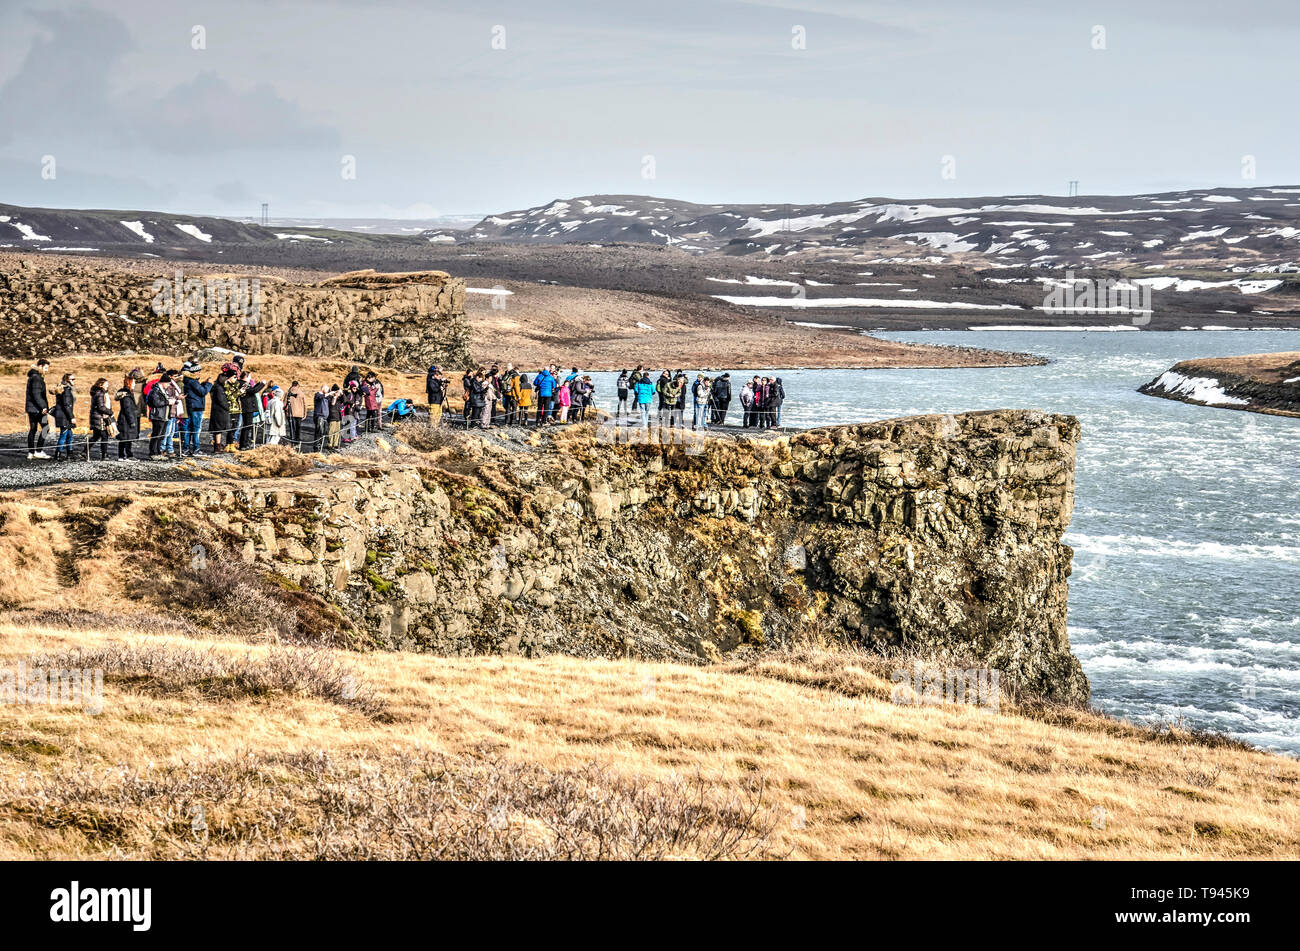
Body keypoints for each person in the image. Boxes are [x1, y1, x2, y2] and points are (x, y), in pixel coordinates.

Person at [181, 361, 212, 457]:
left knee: (188, 428)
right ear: (194, 372)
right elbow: (202, 392)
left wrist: (203, 383)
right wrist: (208, 384)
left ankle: (186, 449)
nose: (200, 373)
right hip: (196, 407)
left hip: (191, 406)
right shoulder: (193, 381)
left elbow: (197, 390)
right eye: (198, 371)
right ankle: (196, 449)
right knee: (196, 428)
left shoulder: (188, 380)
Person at [25, 359, 52, 460]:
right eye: (45, 368)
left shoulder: (33, 376)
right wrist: (43, 407)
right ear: (40, 366)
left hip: (32, 409)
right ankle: (39, 451)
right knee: (45, 428)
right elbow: (37, 395)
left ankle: (31, 452)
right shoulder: (36, 378)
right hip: (38, 410)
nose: (47, 370)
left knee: (33, 430)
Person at [146, 370, 173, 459]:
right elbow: (156, 402)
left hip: (164, 416)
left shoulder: (163, 391)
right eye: (168, 383)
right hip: (158, 416)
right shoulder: (155, 390)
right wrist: (168, 402)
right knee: (156, 435)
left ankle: (158, 452)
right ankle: (153, 453)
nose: (168, 385)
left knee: (161, 436)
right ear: (163, 383)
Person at [52, 373, 77, 461]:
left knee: (69, 434)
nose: (74, 381)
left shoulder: (64, 389)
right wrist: (72, 417)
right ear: (67, 381)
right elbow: (66, 405)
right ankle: (57, 454)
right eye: (72, 379)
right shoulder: (66, 390)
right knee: (63, 435)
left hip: (63, 415)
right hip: (64, 416)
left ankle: (70, 453)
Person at [114, 375, 140, 459]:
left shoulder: (128, 393)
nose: (134, 384)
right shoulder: (126, 395)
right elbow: (127, 409)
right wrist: (132, 421)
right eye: (133, 382)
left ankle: (125, 454)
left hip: (127, 418)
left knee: (126, 438)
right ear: (129, 383)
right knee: (125, 438)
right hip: (126, 419)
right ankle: (125, 455)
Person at [238, 372, 265, 450]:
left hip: (248, 407)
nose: (250, 378)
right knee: (247, 426)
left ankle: (244, 443)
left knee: (247, 426)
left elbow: (252, 389)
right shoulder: (244, 384)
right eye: (249, 376)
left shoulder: (244, 384)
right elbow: (253, 391)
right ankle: (243, 444)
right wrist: (262, 384)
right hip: (247, 407)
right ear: (246, 376)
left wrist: (258, 384)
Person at [88, 378, 113, 461]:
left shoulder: (98, 392)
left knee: (96, 436)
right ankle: (104, 455)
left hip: (96, 417)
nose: (107, 386)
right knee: (104, 436)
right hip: (99, 418)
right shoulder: (100, 393)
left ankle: (84, 452)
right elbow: (101, 407)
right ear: (100, 385)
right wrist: (110, 412)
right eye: (106, 384)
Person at [286, 381, 306, 448]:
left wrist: (285, 413)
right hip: (299, 413)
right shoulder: (301, 393)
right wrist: (305, 413)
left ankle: (292, 442)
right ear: (297, 385)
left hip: (290, 413)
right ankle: (297, 442)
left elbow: (284, 404)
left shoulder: (288, 392)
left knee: (292, 428)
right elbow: (305, 404)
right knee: (298, 428)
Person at [312, 384, 330, 452]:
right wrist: (328, 394)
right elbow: (320, 397)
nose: (328, 391)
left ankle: (320, 446)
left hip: (325, 417)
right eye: (327, 389)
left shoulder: (326, 396)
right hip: (319, 416)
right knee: (319, 432)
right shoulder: (318, 394)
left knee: (323, 433)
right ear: (323, 389)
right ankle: (316, 447)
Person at [325, 384, 343, 450]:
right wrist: (334, 397)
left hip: (338, 416)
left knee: (337, 431)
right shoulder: (329, 397)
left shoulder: (340, 397)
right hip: (332, 416)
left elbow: (345, 400)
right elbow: (332, 404)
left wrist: (342, 393)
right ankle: (330, 444)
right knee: (331, 431)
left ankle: (335, 444)